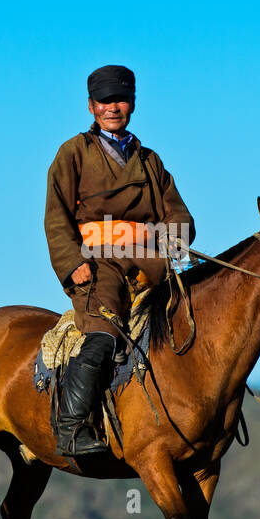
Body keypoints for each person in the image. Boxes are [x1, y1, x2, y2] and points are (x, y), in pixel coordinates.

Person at [43, 65, 196, 457]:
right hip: (98, 267)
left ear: (133, 104)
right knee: (103, 335)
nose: (114, 107)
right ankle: (72, 428)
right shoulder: (73, 153)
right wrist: (71, 263)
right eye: (106, 101)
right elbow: (56, 215)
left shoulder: (150, 162)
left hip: (150, 268)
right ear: (92, 106)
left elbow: (181, 220)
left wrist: (155, 238)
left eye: (121, 100)